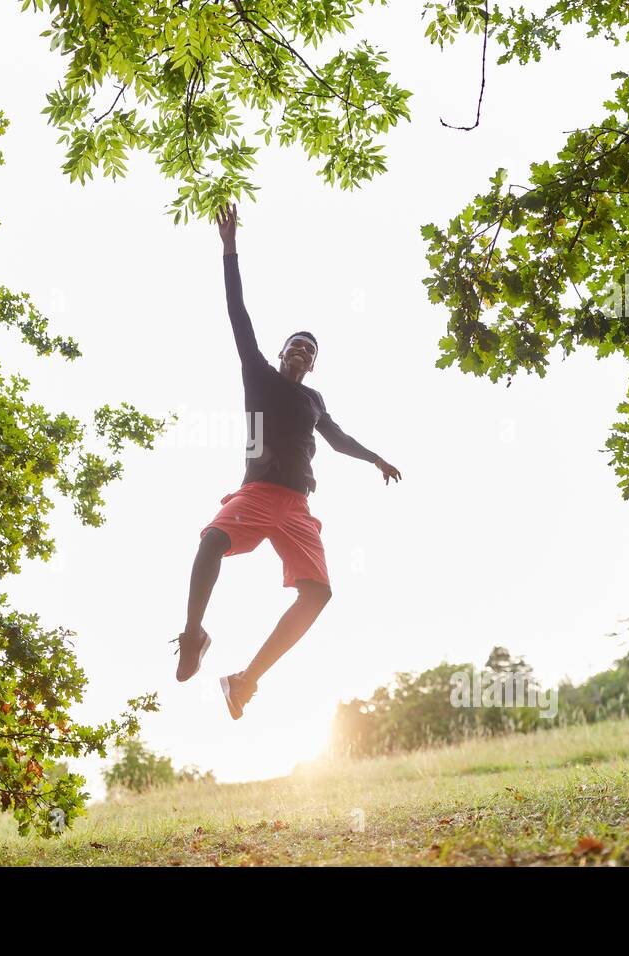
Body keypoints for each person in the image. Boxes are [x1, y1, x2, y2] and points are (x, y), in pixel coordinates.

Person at [173, 204, 402, 719]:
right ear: (280, 353)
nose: (300, 351)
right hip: (257, 493)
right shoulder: (258, 373)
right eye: (294, 345)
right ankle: (193, 635)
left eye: (309, 350)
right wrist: (229, 248)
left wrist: (374, 459)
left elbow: (338, 439)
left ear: (313, 364)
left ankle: (245, 680)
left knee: (317, 594)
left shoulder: (314, 400)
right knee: (210, 541)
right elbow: (238, 313)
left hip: (298, 506)